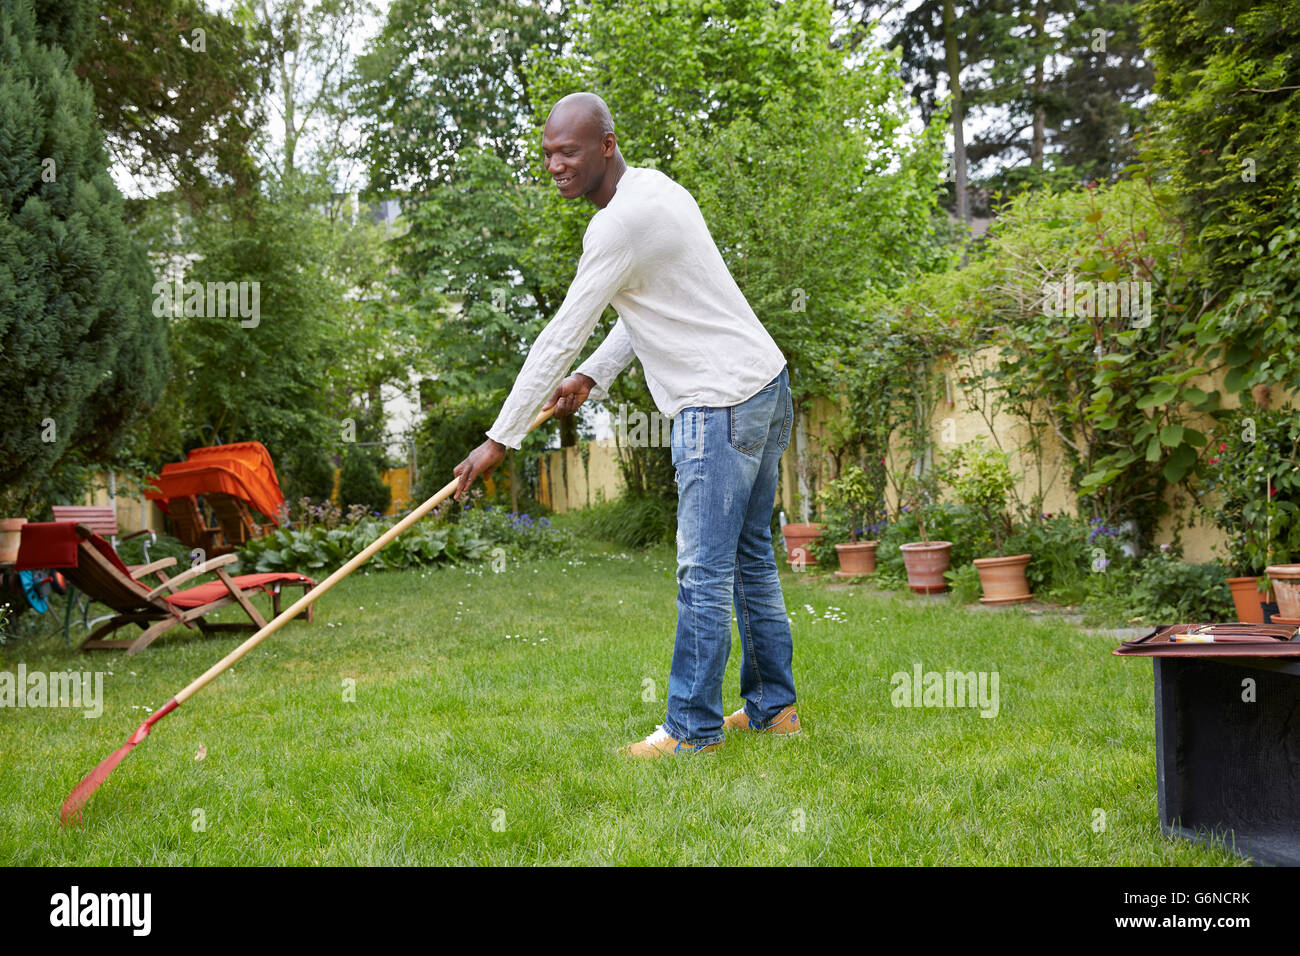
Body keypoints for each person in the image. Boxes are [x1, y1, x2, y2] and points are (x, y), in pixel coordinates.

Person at [454, 92, 801, 757]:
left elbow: (558, 336)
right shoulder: (657, 193)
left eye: (571, 151)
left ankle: (692, 731)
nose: (556, 164)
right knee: (752, 558)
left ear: (606, 145)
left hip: (718, 404)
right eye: (549, 152)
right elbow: (648, 305)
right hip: (764, 385)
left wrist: (502, 437)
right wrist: (594, 376)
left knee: (704, 572)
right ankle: (773, 710)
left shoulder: (615, 226)